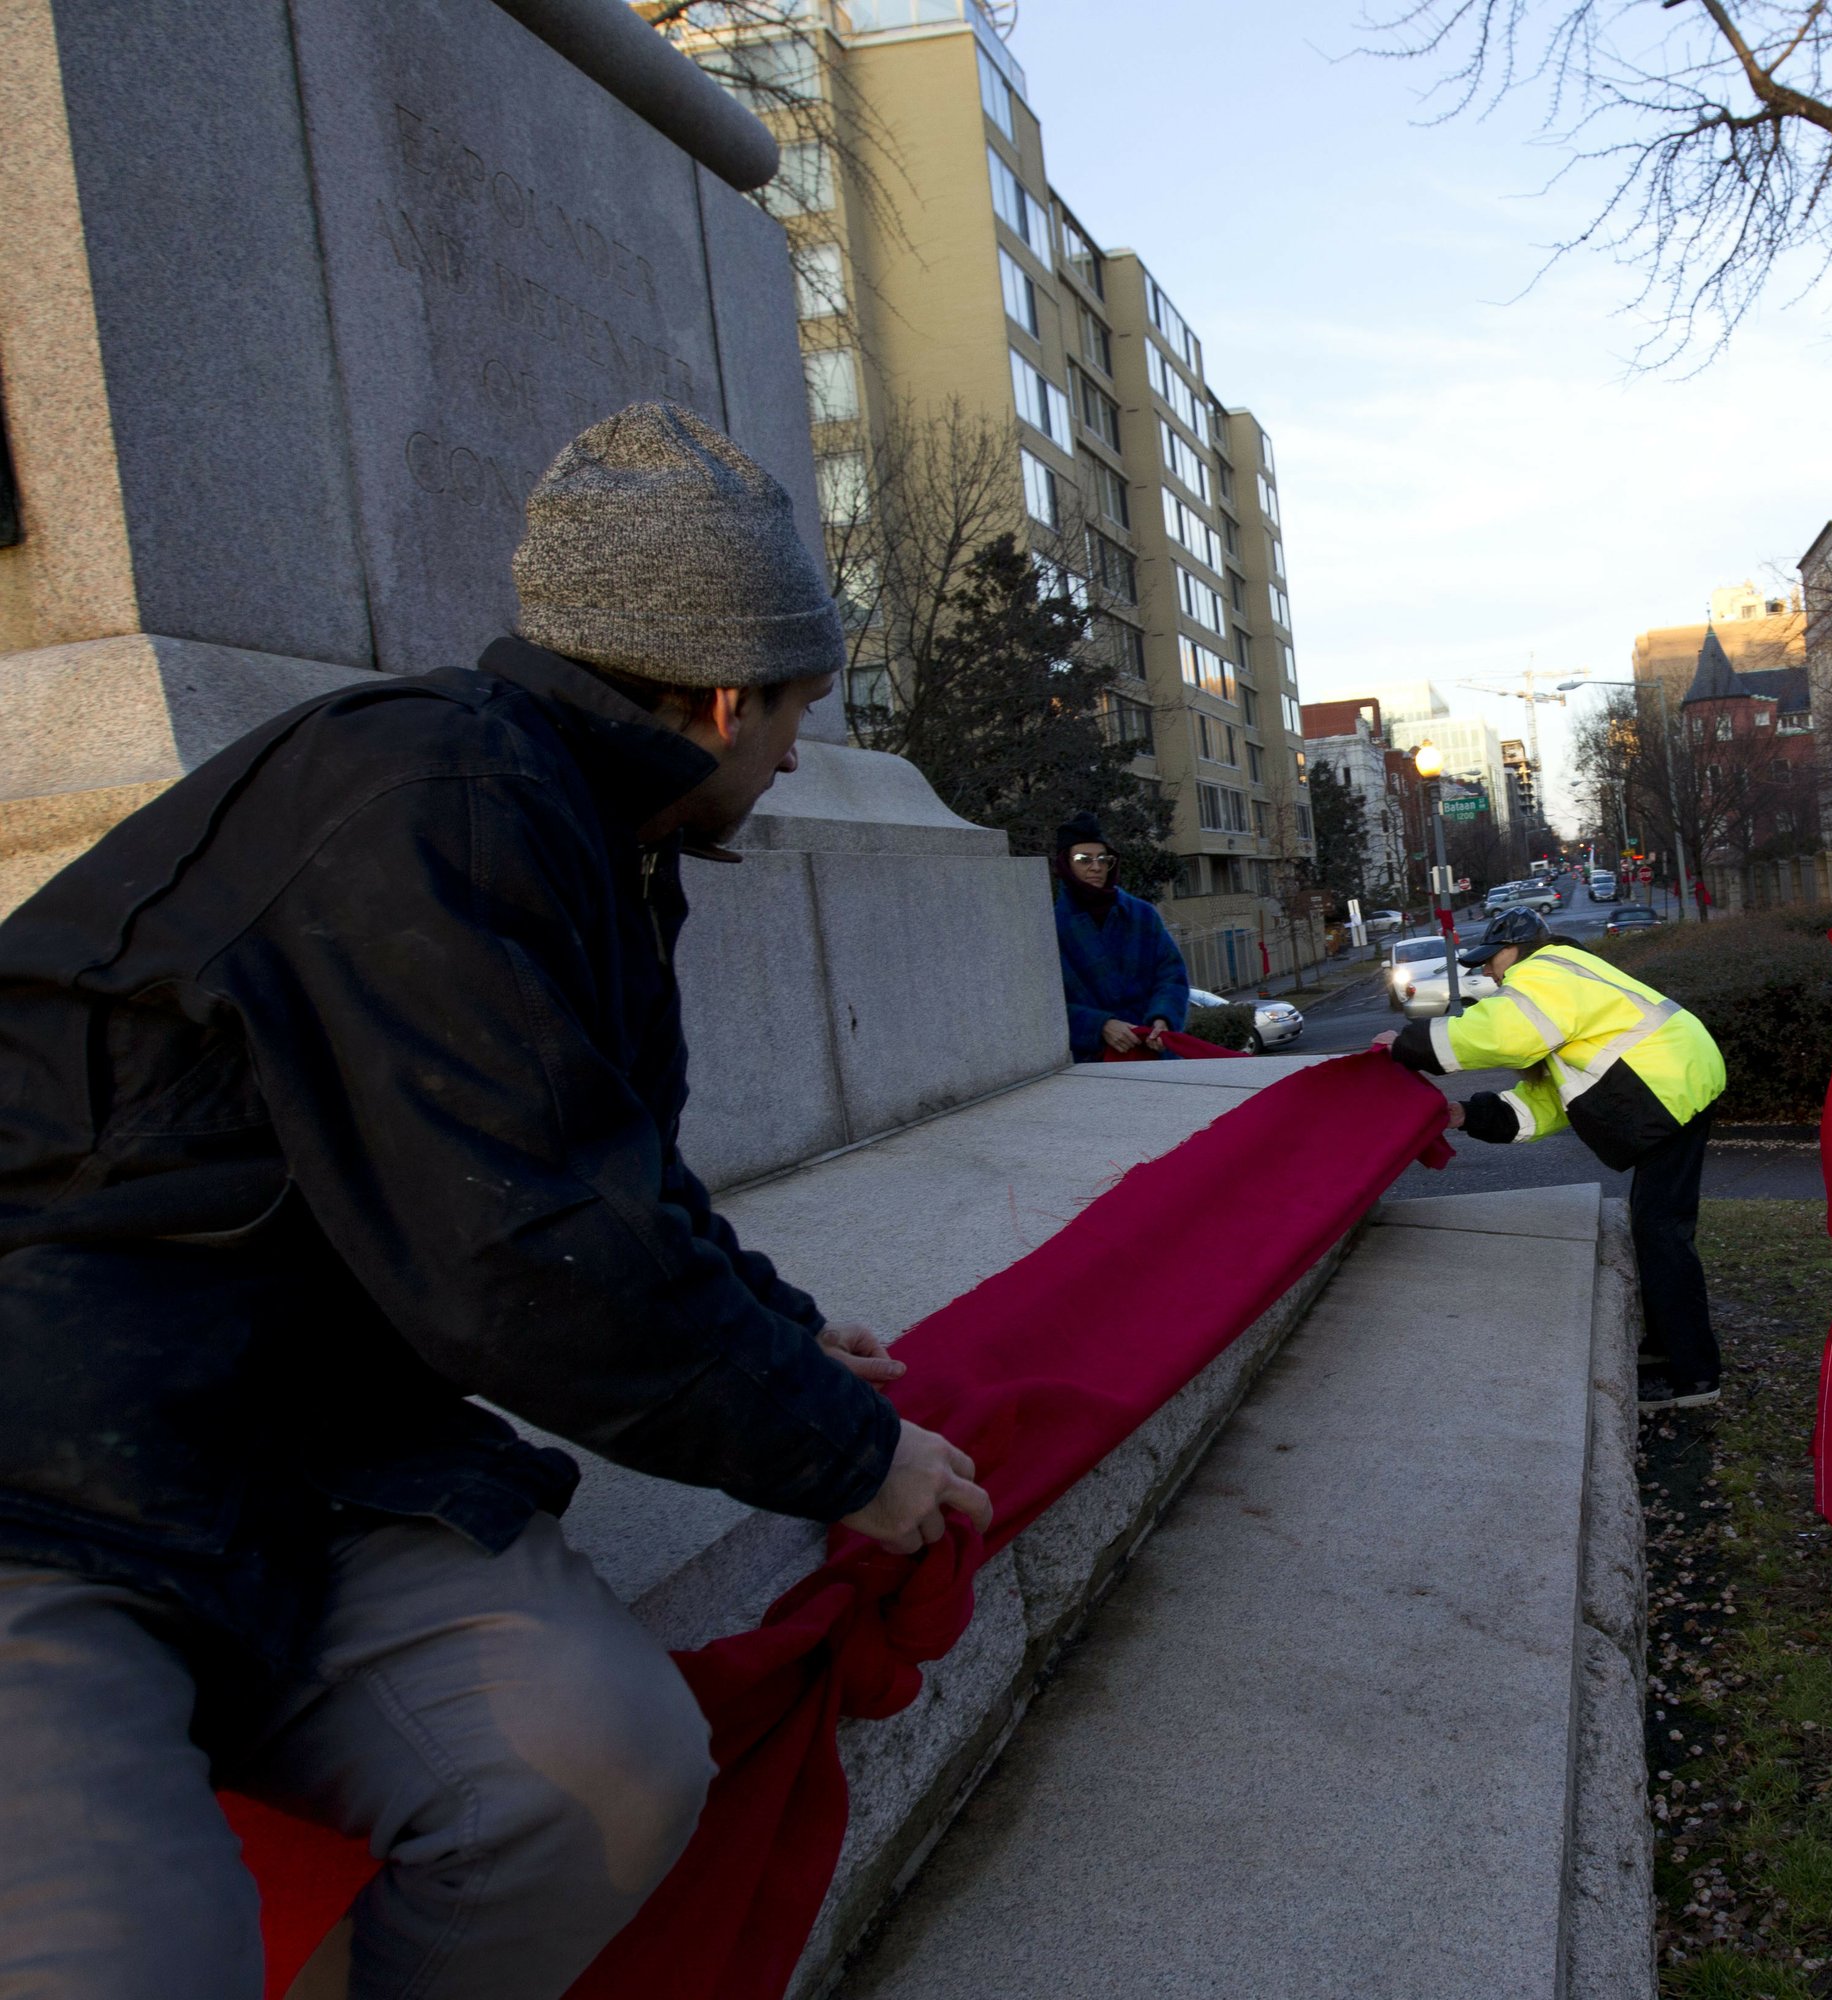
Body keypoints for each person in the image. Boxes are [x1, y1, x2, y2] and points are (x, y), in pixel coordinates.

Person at [0, 404, 993, 2000]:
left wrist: (786, 1341)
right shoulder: (434, 800)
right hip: (50, 1467)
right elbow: (527, 1253)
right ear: (725, 699)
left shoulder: (583, 828)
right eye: (802, 709)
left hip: (308, 1448)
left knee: (600, 1771)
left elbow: (591, 1169)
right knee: (118, 1961)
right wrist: (850, 1458)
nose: (802, 754)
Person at [1378, 905, 1729, 1408]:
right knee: (1659, 1229)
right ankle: (1671, 1347)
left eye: (1490, 960)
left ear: (1516, 950)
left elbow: (1501, 1034)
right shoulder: (1563, 980)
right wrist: (1467, 1115)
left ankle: (1693, 1377)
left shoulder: (1543, 972)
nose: (1487, 973)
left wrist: (1406, 1046)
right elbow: (1547, 1101)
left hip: (1668, 1090)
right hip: (1678, 1082)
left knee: (1663, 1235)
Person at [1050, 811, 1191, 1059]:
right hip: (1093, 1062)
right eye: (1084, 859)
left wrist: (1163, 1018)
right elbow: (1045, 1004)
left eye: (1103, 859)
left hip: (1153, 1053)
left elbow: (1171, 974)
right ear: (1066, 864)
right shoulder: (1050, 927)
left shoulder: (1142, 915)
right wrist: (1100, 1025)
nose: (1096, 867)